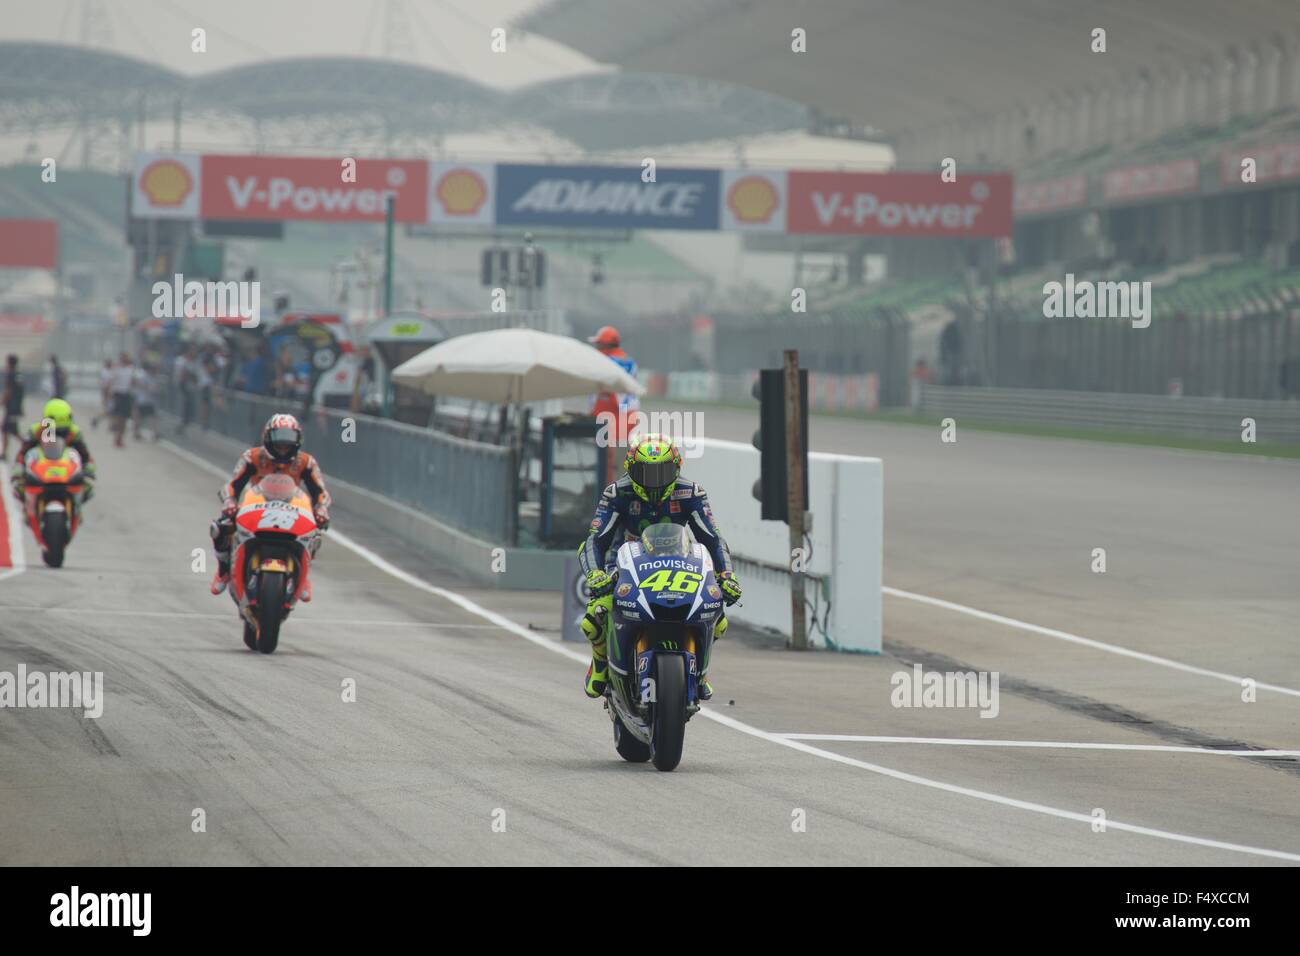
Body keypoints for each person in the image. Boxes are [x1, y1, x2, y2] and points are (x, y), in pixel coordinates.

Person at [576, 434, 742, 700]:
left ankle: (701, 670)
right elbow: (595, 540)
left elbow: (712, 539)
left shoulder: (691, 493)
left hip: (678, 562)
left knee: (717, 618)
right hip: (624, 563)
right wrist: (596, 574)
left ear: (676, 469)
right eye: (645, 472)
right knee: (594, 617)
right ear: (631, 470)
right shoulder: (617, 493)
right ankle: (601, 663)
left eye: (661, 472)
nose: (654, 481)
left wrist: (726, 575)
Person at [208, 413, 331, 600]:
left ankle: (304, 576)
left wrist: (321, 508)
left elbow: (321, 491)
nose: (283, 448)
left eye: (288, 443)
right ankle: (223, 570)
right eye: (279, 442)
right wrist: (230, 501)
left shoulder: (306, 462)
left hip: (292, 508)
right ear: (267, 438)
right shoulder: (251, 457)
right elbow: (232, 485)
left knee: (315, 533)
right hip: (257, 504)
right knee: (220, 527)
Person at [10, 398, 96, 498]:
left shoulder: (74, 433)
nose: (58, 434)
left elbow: (85, 456)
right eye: (54, 431)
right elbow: (23, 453)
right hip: (41, 470)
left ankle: (75, 508)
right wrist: (18, 471)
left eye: (63, 431)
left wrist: (89, 472)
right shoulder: (36, 430)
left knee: (87, 488)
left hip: (66, 472)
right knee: (20, 487)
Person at [587, 325, 640, 483]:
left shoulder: (607, 364)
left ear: (605, 346)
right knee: (622, 464)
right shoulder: (629, 361)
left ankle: (610, 498)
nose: (596, 348)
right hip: (626, 419)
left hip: (616, 420)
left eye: (598, 344)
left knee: (610, 465)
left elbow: (620, 398)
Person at [106, 352, 136, 447]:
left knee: (125, 418)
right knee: (119, 417)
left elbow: (132, 382)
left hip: (126, 395)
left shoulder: (131, 369)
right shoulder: (116, 369)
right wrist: (109, 393)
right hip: (118, 394)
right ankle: (117, 437)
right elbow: (111, 381)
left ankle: (120, 437)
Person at [2, 354, 25, 459]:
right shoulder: (18, 375)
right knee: (6, 429)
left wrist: (2, 401)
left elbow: (8, 391)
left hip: (11, 408)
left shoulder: (11, 375)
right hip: (15, 408)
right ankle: (4, 452)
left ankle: (27, 446)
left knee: (12, 430)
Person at [132, 363, 159, 441]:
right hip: (142, 400)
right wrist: (147, 387)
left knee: (153, 417)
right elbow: (136, 382)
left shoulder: (153, 377)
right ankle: (136, 433)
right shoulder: (142, 376)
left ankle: (154, 433)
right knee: (139, 417)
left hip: (150, 400)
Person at [91, 358, 113, 429]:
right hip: (107, 394)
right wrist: (105, 396)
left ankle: (110, 425)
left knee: (110, 411)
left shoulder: (107, 372)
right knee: (108, 411)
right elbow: (105, 385)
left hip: (108, 394)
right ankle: (96, 419)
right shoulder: (105, 372)